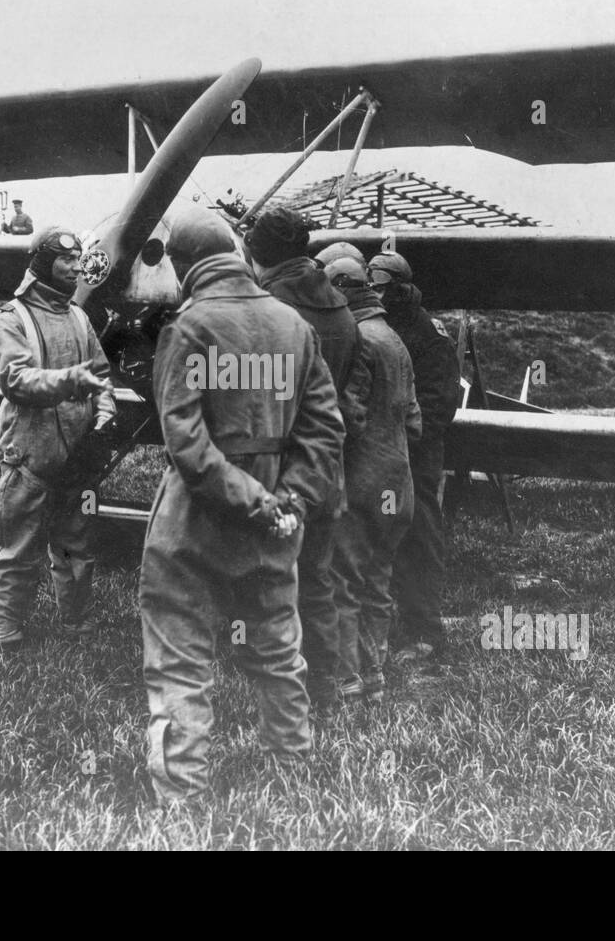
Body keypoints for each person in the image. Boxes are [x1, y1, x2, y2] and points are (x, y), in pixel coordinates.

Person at [139, 207, 344, 805]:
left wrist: (252, 503)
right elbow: (325, 430)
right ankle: (293, 770)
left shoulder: (188, 327)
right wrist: (290, 503)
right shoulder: (293, 325)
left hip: (196, 523)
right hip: (280, 521)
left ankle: (182, 799)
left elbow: (187, 445)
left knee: (181, 658)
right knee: (279, 650)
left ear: (182, 264)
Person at [245, 206, 362, 707]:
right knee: (317, 577)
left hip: (279, 465)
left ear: (260, 252)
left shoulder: (268, 308)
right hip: (326, 466)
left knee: (270, 577)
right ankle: (327, 682)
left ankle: (280, 685)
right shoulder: (338, 303)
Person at [0, 226, 116, 650]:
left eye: (79, 258)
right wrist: (70, 378)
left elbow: (100, 375)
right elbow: (16, 379)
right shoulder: (11, 318)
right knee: (16, 547)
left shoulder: (79, 316)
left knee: (76, 546)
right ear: (42, 262)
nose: (77, 266)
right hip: (29, 453)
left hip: (77, 457)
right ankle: (7, 634)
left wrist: (105, 411)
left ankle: (76, 624)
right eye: (66, 259)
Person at [318, 248, 421, 701]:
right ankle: (375, 675)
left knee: (342, 580)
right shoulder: (395, 339)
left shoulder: (358, 339)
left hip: (362, 481)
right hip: (398, 483)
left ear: (341, 289)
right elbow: (414, 420)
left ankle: (346, 680)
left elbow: (349, 417)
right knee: (378, 580)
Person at [365, 250, 461, 663]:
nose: (374, 292)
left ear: (400, 289)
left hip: (417, 453)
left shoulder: (429, 335)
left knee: (420, 536)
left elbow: (441, 403)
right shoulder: (382, 327)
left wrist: (407, 438)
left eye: (381, 285)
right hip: (387, 449)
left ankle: (425, 631)